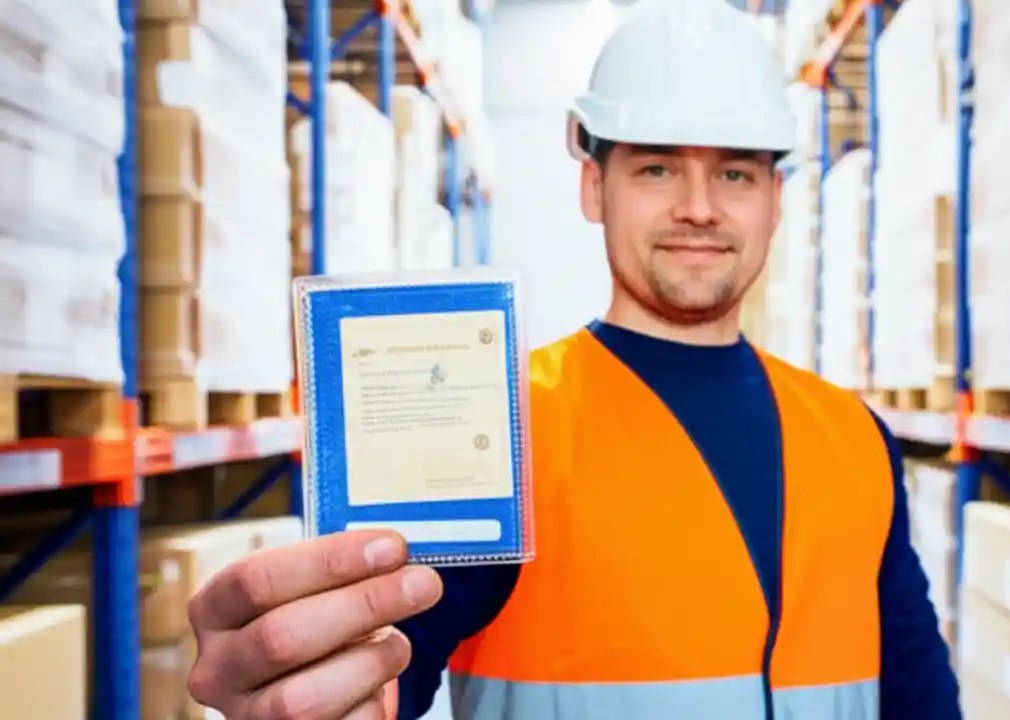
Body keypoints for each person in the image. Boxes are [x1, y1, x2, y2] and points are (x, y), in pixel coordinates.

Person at [185, 0, 961, 718]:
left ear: (775, 198)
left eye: (734, 171)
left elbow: (920, 699)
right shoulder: (505, 425)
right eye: (656, 168)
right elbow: (384, 664)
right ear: (594, 186)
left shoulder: (853, 437)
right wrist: (316, 681)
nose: (699, 204)